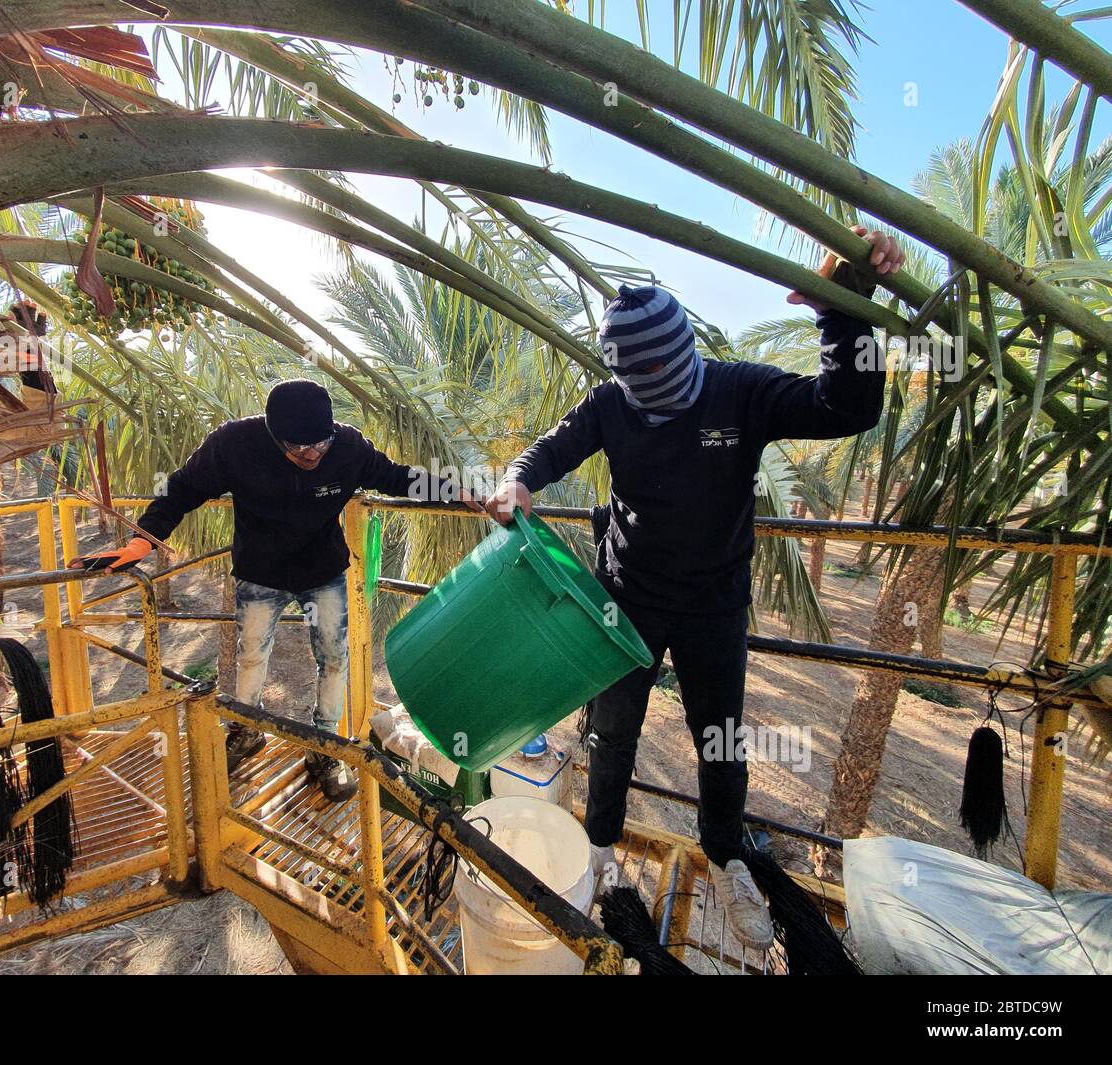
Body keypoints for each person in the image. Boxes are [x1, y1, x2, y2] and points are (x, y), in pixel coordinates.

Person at [485, 227, 905, 948]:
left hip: (714, 601)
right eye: (650, 396)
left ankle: (725, 856)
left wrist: (847, 307)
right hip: (626, 600)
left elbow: (848, 409)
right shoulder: (609, 405)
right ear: (623, 380)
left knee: (720, 740)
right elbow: (551, 446)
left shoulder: (738, 390)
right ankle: (599, 852)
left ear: (691, 359)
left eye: (676, 388)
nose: (667, 405)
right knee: (612, 733)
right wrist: (516, 478)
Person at [71, 379, 479, 801]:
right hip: (260, 571)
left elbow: (395, 476)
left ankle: (325, 747)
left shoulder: (348, 448)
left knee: (334, 659)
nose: (309, 456)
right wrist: (143, 540)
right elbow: (182, 488)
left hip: (322, 572)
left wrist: (453, 491)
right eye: (296, 448)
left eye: (318, 446)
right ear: (271, 434)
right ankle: (247, 731)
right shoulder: (234, 443)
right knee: (250, 656)